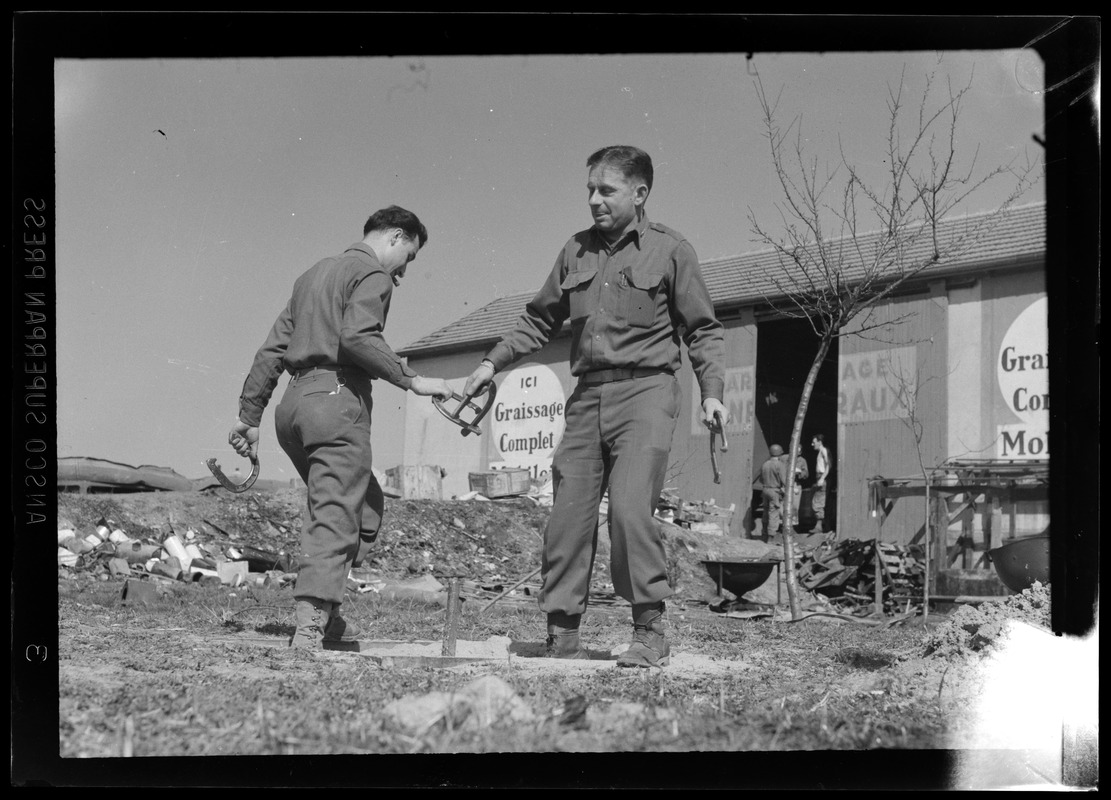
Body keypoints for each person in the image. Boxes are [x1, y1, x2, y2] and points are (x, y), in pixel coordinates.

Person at [463, 145, 728, 668]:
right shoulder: (575, 251)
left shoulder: (672, 250)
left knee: (630, 510)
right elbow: (539, 319)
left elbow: (702, 329)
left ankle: (650, 630)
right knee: (567, 518)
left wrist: (713, 391)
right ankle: (562, 633)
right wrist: (490, 364)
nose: (593, 200)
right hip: (586, 398)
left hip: (647, 392)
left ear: (639, 193)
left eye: (606, 190)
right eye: (589, 190)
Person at [228, 206, 454, 649]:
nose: (404, 272)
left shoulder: (313, 274)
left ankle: (325, 608)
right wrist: (413, 379)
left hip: (293, 407)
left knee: (362, 503)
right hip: (336, 401)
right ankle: (312, 624)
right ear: (394, 236)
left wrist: (249, 416)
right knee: (335, 512)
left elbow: (272, 350)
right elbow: (358, 338)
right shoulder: (374, 275)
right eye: (408, 257)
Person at [759, 444, 787, 540]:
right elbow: (785, 481)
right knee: (773, 514)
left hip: (765, 489)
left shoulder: (765, 464)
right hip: (774, 491)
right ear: (779, 453)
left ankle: (764, 534)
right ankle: (771, 538)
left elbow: (761, 480)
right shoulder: (780, 465)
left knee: (765, 512)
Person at [783, 442, 809, 528]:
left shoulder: (802, 460)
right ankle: (782, 526)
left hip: (796, 484)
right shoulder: (784, 458)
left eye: (799, 451)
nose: (797, 452)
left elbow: (806, 474)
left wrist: (800, 472)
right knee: (783, 506)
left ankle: (792, 527)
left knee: (794, 507)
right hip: (784, 484)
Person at [811, 433, 831, 532]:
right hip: (819, 477)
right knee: (820, 502)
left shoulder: (823, 450)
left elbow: (828, 465)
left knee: (818, 502)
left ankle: (818, 527)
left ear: (820, 442)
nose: (812, 444)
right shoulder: (820, 452)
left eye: (814, 442)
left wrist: (822, 478)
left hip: (822, 476)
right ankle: (822, 526)